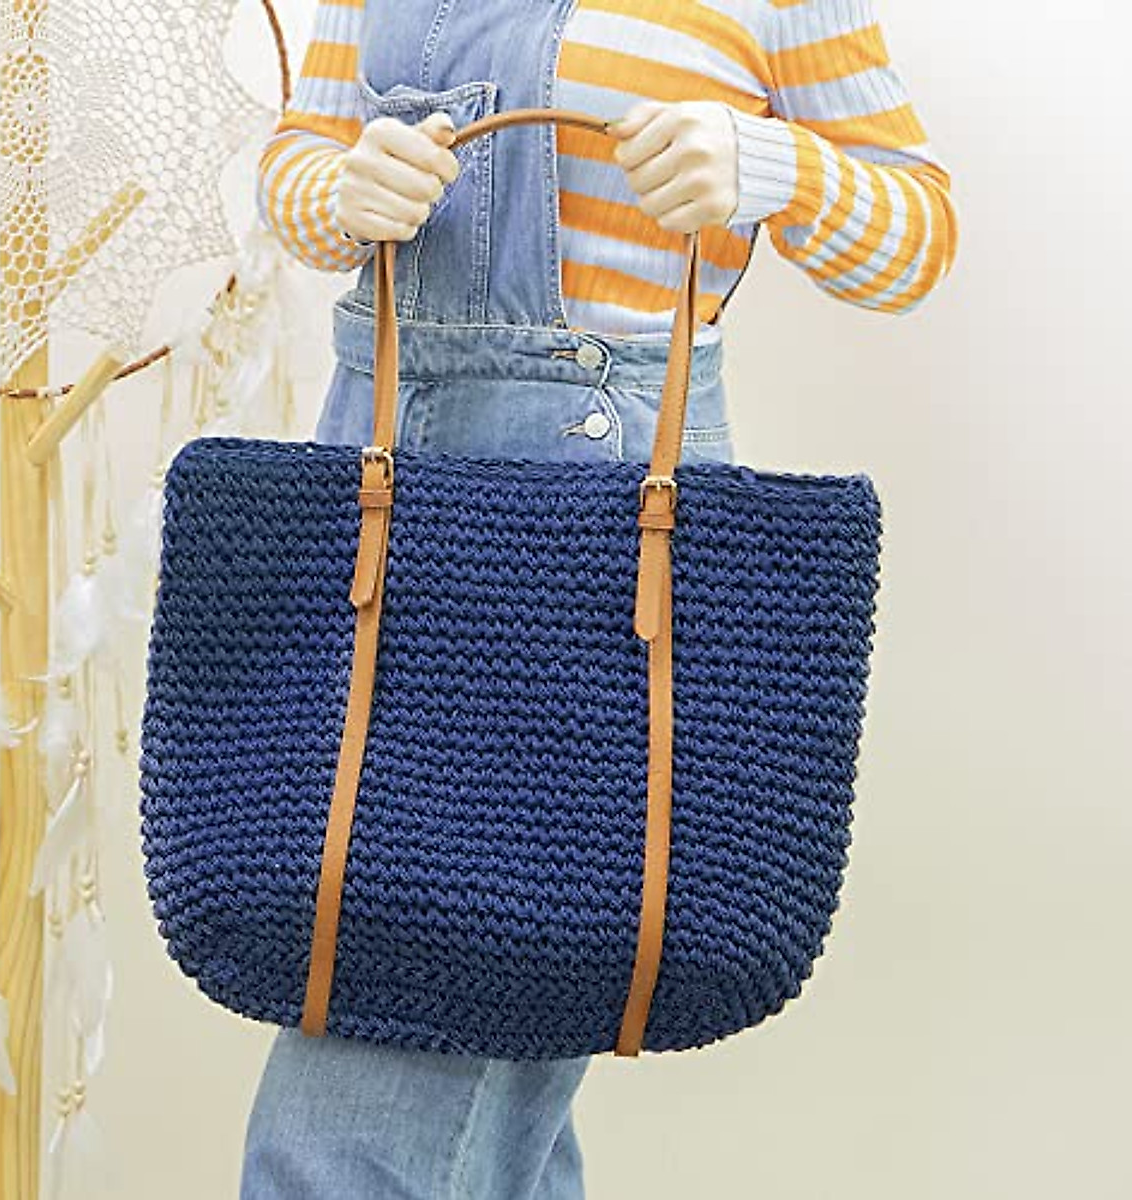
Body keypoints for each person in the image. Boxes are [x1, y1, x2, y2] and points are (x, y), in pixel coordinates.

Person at [243, 2, 958, 1196]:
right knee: (488, 1076)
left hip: (612, 539)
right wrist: (341, 187)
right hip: (380, 508)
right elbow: (297, 163)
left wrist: (770, 167)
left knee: (376, 1094)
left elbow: (917, 238)